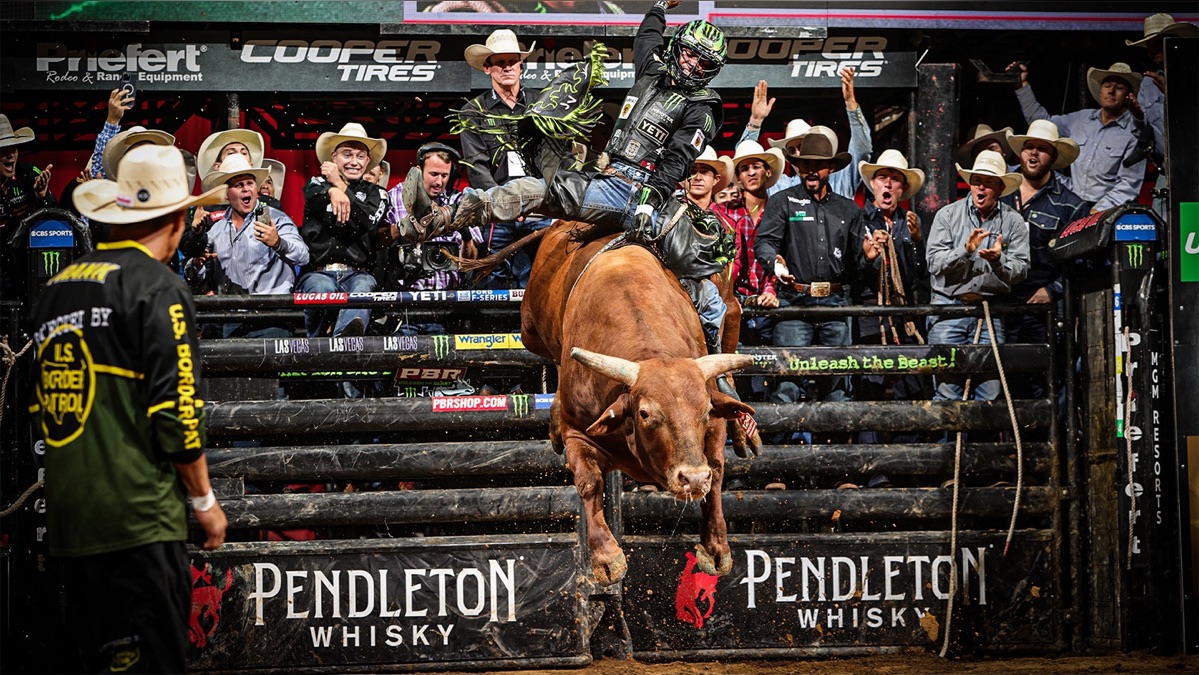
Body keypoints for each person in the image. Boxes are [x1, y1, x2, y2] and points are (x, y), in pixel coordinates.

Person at [405, 0, 729, 352]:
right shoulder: (652, 69)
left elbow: (678, 158)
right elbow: (647, 36)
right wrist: (660, 7)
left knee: (704, 288)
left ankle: (715, 371)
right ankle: (437, 219)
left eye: (704, 62)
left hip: (643, 192)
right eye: (689, 54)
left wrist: (649, 203)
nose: (693, 64)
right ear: (676, 48)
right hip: (607, 176)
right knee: (537, 186)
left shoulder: (704, 105)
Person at [29, 144, 227, 673]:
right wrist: (205, 501)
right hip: (138, 519)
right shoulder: (159, 288)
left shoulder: (54, 290)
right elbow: (178, 409)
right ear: (178, 219)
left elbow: (39, 403)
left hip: (71, 521)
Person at [753, 132, 868, 403]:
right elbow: (764, 244)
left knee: (839, 384)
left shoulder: (849, 210)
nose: (811, 170)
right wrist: (776, 266)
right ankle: (784, 446)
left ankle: (834, 443)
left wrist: (870, 257)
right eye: (805, 164)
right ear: (798, 167)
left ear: (831, 168)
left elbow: (858, 265)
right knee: (787, 384)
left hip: (837, 303)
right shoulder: (782, 201)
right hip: (794, 300)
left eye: (818, 165)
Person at [925, 150, 1030, 403]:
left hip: (989, 311)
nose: (981, 187)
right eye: (977, 181)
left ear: (1000, 187)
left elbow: (1022, 268)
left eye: (989, 182)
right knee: (948, 390)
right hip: (949, 309)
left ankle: (980, 443)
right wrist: (965, 250)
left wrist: (998, 261)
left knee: (990, 392)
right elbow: (933, 262)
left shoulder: (1013, 222)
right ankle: (949, 444)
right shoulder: (948, 215)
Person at [999, 120, 1087, 397]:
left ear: (1053, 157)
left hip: (1043, 307)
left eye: (1042, 149)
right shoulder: (999, 194)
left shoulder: (1071, 206)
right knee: (998, 381)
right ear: (1020, 153)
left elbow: (1082, 261)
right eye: (1029, 148)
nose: (1033, 154)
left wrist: (1053, 289)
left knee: (1043, 383)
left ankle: (1045, 439)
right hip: (1001, 301)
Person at [458, 28, 549, 288]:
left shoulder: (541, 104)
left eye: (512, 62)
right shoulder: (473, 111)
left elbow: (553, 157)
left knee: (541, 281)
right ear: (487, 68)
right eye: (500, 63)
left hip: (538, 209)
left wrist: (531, 201)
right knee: (493, 280)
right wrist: (508, 204)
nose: (507, 68)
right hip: (497, 212)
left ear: (521, 66)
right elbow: (477, 167)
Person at [185, 153, 309, 336]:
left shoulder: (276, 218)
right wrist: (196, 265)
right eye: (238, 185)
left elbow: (303, 256)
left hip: (273, 317)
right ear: (226, 193)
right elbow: (198, 279)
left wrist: (278, 243)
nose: (246, 189)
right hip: (230, 320)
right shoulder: (216, 230)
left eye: (250, 183)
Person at [856, 149, 929, 441]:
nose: (887, 185)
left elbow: (920, 273)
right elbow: (854, 271)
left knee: (908, 384)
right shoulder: (859, 219)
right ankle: (871, 464)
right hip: (870, 312)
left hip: (903, 313)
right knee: (869, 384)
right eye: (882, 178)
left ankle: (906, 459)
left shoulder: (909, 222)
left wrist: (915, 241)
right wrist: (869, 256)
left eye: (895, 180)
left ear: (902, 188)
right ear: (873, 184)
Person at [1010, 61, 1146, 213]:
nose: (1111, 91)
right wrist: (1022, 86)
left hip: (1109, 211)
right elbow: (1042, 124)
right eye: (1107, 85)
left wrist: (1096, 211)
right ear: (1100, 90)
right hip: (1074, 205)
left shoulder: (1133, 131)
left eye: (1119, 88)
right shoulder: (1080, 120)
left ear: (1128, 96)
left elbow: (1128, 184)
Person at [297, 122, 389, 338]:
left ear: (368, 161)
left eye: (360, 156)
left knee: (363, 289)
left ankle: (343, 345)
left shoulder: (379, 194)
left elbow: (367, 221)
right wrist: (332, 191)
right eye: (347, 154)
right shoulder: (315, 183)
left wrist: (340, 186)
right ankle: (316, 347)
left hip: (359, 274)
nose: (354, 162)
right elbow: (313, 198)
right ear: (334, 157)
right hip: (318, 272)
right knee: (322, 289)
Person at [737, 69, 871, 199]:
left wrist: (851, 106)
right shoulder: (780, 186)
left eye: (802, 147)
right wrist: (755, 121)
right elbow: (744, 158)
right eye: (791, 150)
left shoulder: (841, 179)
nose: (798, 154)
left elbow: (862, 151)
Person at [1126, 13, 1197, 216]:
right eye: (1149, 45)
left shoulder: (1195, 76)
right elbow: (1144, 138)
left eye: (1158, 43)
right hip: (1167, 175)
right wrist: (1138, 116)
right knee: (1163, 234)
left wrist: (1174, 96)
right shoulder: (1148, 84)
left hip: (1195, 173)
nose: (1153, 49)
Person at [385, 142, 477, 292]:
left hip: (453, 294)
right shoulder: (395, 197)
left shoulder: (459, 202)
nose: (439, 182)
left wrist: (466, 237)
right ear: (418, 171)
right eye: (434, 174)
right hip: (408, 293)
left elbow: (471, 260)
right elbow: (380, 242)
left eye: (444, 175)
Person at [714, 140, 784, 318]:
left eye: (756, 166)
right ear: (738, 178)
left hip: (772, 301)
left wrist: (770, 290)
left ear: (768, 172)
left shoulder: (781, 211)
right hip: (733, 303)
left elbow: (784, 255)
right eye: (744, 169)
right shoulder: (723, 211)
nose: (751, 172)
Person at [1, 114, 56, 298]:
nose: (10, 154)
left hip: (24, 269)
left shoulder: (29, 174)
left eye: (13, 148)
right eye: (3, 149)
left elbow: (56, 216)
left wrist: (42, 196)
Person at [196, 128, 265, 178]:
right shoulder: (214, 198)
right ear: (218, 166)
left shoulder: (261, 198)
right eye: (231, 153)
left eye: (244, 153)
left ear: (251, 165)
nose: (239, 156)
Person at [680, 146, 731, 210]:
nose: (698, 178)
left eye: (704, 172)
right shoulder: (668, 208)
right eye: (692, 172)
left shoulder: (723, 217)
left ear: (716, 179)